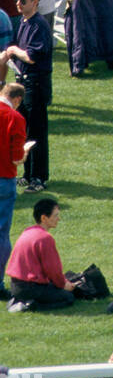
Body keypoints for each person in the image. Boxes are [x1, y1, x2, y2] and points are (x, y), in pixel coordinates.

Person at [6, 197, 76, 312]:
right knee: (68, 297)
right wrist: (63, 284)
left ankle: (19, 300)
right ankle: (29, 305)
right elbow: (52, 269)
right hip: (31, 288)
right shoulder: (45, 238)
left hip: (16, 286)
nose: (58, 219)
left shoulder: (28, 231)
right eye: (55, 215)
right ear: (44, 218)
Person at [0, 81, 25, 299]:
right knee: (1, 234)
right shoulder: (15, 118)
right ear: (17, 100)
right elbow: (17, 157)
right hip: (4, 179)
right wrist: (24, 155)